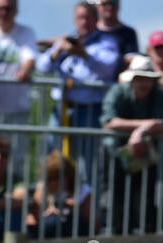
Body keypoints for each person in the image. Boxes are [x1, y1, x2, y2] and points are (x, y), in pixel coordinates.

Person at [37, 2, 122, 178]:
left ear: (95, 19)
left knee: (87, 163)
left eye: (87, 18)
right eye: (80, 18)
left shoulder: (106, 42)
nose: (83, 22)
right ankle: (56, 202)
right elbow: (42, 66)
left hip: (90, 110)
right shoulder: (66, 41)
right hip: (62, 109)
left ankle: (85, 203)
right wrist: (58, 50)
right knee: (54, 159)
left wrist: (82, 53)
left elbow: (107, 68)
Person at [101, 55, 163, 234]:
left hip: (146, 158)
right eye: (140, 78)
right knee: (117, 205)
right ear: (132, 79)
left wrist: (139, 133)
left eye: (147, 79)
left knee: (146, 206)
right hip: (116, 157)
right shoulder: (117, 92)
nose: (144, 83)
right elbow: (109, 122)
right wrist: (143, 127)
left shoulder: (160, 95)